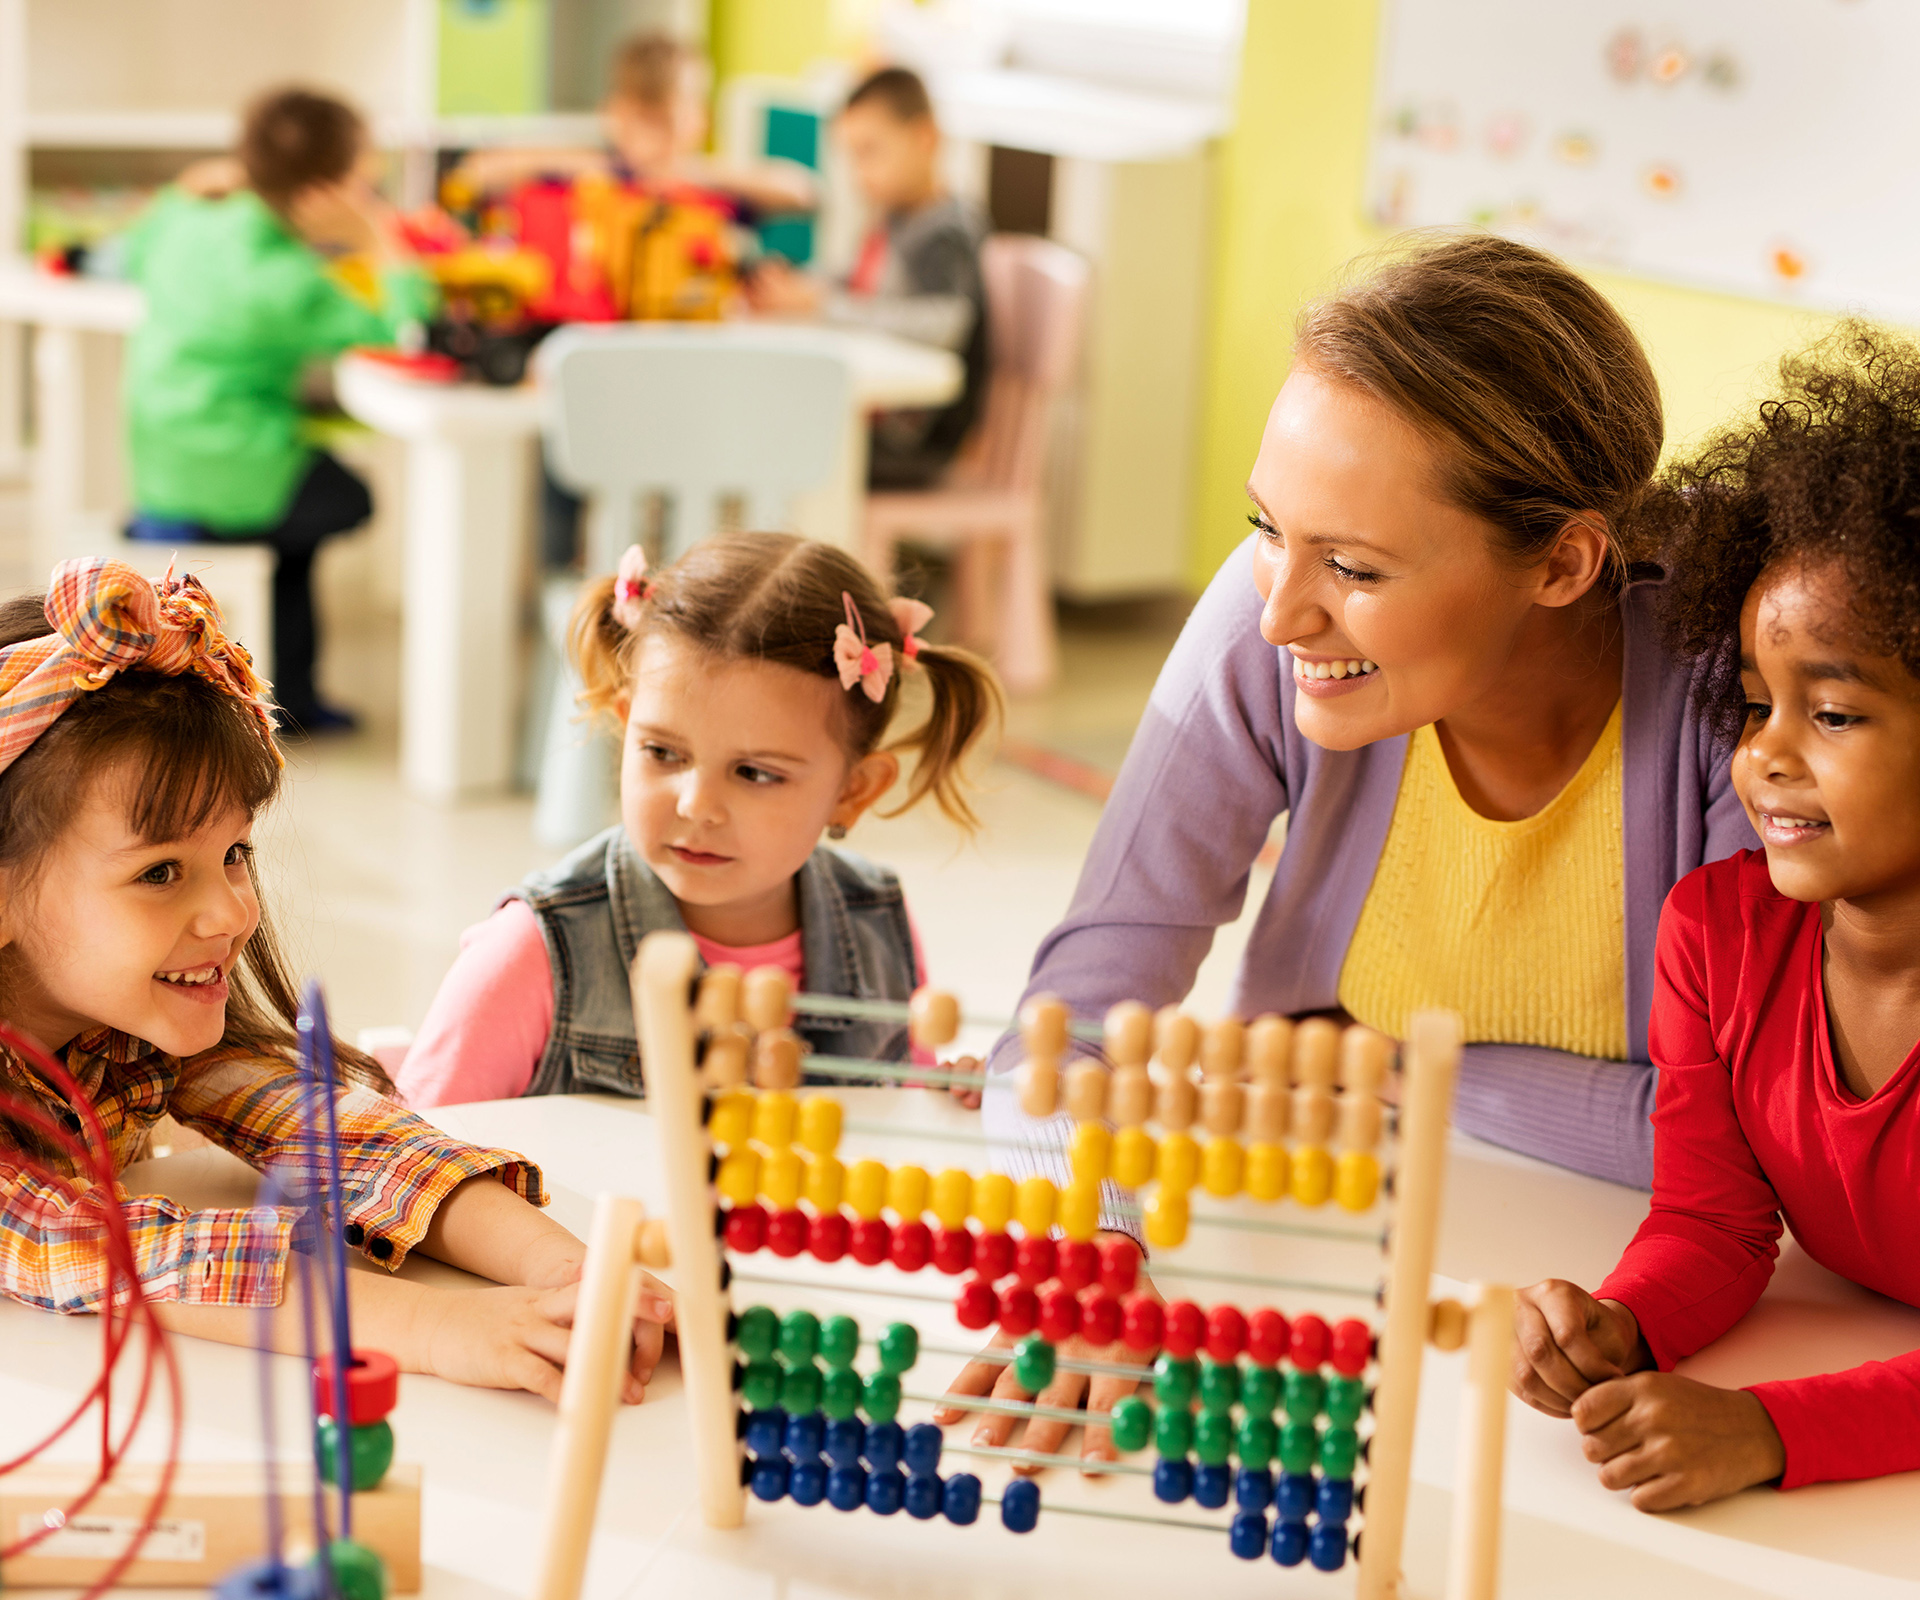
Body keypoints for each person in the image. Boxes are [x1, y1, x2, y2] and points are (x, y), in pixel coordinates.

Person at [937, 234, 1757, 1470]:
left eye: (1356, 567)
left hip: (1622, 1297)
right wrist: (1087, 1253)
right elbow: (1071, 1020)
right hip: (1334, 1241)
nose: (1281, 611)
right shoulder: (1270, 621)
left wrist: (1374, 1067)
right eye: (1268, 526)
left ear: (1567, 561)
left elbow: (1750, 1142)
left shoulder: (1732, 696)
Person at [0, 559, 668, 1403]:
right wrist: (438, 1327)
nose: (230, 912)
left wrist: (574, 1269)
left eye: (235, 852)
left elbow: (329, 1127)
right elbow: (98, 1250)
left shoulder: (127, 1018)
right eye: (162, 872)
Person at [1511, 324, 1920, 1507]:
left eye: (1832, 715)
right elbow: (1714, 1220)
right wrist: (1622, 1324)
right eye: (1751, 705)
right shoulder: (1716, 933)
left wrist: (1765, 1431)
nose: (1766, 756)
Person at [396, 532, 1001, 1106]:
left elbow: (891, 1126)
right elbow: (406, 1168)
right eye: (663, 753)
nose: (695, 805)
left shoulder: (876, 926)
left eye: (755, 773)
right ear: (625, 723)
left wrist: (943, 1100)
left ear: (854, 791)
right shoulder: (533, 953)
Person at [123, 87, 434, 734]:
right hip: (238, 472)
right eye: (362, 178)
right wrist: (378, 237)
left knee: (294, 545)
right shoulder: (287, 282)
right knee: (346, 498)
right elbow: (408, 328)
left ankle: (290, 689)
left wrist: (193, 188)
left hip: (157, 463)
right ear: (321, 192)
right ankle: (294, 694)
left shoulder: (188, 218)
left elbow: (130, 250)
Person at [748, 65, 990, 490]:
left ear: (925, 138)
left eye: (870, 152)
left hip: (915, 439)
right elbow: (859, 279)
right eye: (852, 157)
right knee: (772, 425)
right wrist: (806, 287)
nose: (859, 173)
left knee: (779, 442)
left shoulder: (945, 230)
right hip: (883, 425)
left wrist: (823, 306)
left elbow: (945, 324)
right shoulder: (898, 217)